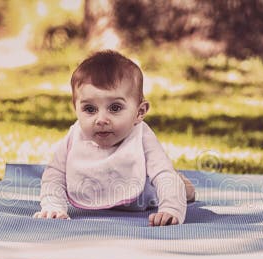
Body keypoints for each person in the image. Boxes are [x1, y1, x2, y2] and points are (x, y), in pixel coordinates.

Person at [34, 50, 194, 226]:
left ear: (139, 112)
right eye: (89, 109)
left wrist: (170, 209)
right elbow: (55, 174)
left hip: (145, 196)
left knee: (174, 182)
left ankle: (183, 186)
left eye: (115, 108)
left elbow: (163, 174)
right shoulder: (75, 136)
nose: (101, 120)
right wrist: (53, 206)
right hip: (99, 194)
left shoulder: (141, 136)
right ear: (76, 109)